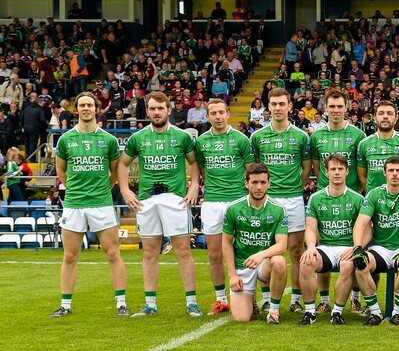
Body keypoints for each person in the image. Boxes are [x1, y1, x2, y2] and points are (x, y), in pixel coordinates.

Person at [119, 91, 203, 317]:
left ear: (169, 110)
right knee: (149, 253)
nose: (156, 112)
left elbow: (194, 162)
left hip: (175, 200)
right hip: (146, 200)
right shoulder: (138, 138)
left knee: (183, 251)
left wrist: (194, 185)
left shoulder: (182, 136)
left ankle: (192, 303)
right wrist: (126, 190)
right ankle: (150, 304)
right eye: (152, 109)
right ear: (147, 111)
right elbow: (123, 164)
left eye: (160, 108)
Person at [49, 92, 128, 317]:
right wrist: (76, 189)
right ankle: (65, 306)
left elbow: (114, 173)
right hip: (74, 204)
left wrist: (101, 189)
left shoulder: (109, 140)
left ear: (96, 109)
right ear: (77, 109)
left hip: (101, 203)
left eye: (89, 105)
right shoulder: (65, 140)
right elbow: (61, 172)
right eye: (82, 105)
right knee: (70, 256)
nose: (86, 108)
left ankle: (121, 303)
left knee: (113, 253)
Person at [250, 88, 312, 314]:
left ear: (289, 107)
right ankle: (266, 298)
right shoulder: (257, 137)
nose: (277, 108)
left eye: (281, 104)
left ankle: (295, 298)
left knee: (295, 250)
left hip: (293, 199)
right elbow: (255, 168)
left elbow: (306, 168)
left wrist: (296, 185)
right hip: (268, 200)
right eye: (273, 104)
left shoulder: (301, 136)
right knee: (266, 249)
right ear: (268, 107)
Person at [308, 90, 366, 313]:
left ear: (346, 107)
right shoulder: (317, 136)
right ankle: (323, 299)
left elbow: (361, 168)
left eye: (339, 106)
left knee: (354, 248)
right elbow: (315, 165)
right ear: (325, 108)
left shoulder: (358, 135)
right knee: (322, 247)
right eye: (331, 106)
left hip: (351, 198)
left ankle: (355, 298)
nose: (335, 110)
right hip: (325, 198)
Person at [195, 98, 255, 315]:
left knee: (244, 250)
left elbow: (250, 170)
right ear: (207, 116)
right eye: (213, 113)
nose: (218, 116)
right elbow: (202, 169)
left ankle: (251, 297)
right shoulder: (201, 142)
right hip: (212, 202)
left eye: (221, 112)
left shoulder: (241, 139)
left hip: (238, 201)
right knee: (214, 254)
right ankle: (221, 299)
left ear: (228, 114)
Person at [299, 154, 370, 326]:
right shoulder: (316, 198)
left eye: (340, 169)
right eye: (333, 169)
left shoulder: (358, 199)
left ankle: (337, 312)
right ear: (326, 172)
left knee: (347, 265)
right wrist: (310, 247)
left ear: (347, 172)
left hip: (348, 246)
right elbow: (310, 227)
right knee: (306, 262)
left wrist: (357, 248)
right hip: (326, 247)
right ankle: (309, 312)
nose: (336, 173)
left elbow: (367, 230)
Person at [351, 156, 399, 327]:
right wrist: (357, 248)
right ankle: (375, 312)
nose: (395, 174)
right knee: (361, 266)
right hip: (380, 247)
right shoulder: (374, 193)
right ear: (384, 173)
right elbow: (360, 223)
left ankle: (398, 313)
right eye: (391, 170)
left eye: (398, 171)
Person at [221, 164, 289, 323]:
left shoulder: (279, 209)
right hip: (242, 265)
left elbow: (282, 245)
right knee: (241, 318)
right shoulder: (233, 208)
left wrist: (261, 255)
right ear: (246, 184)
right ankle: (249, 298)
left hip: (264, 263)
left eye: (263, 182)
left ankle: (273, 311)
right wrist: (233, 275)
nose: (259, 187)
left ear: (269, 183)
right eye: (254, 182)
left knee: (279, 261)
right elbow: (226, 242)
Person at [356, 100, 399, 192]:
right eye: (381, 113)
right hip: (374, 203)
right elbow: (362, 177)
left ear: (396, 118)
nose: (385, 116)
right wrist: (372, 196)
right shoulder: (364, 144)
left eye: (389, 113)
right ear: (375, 118)